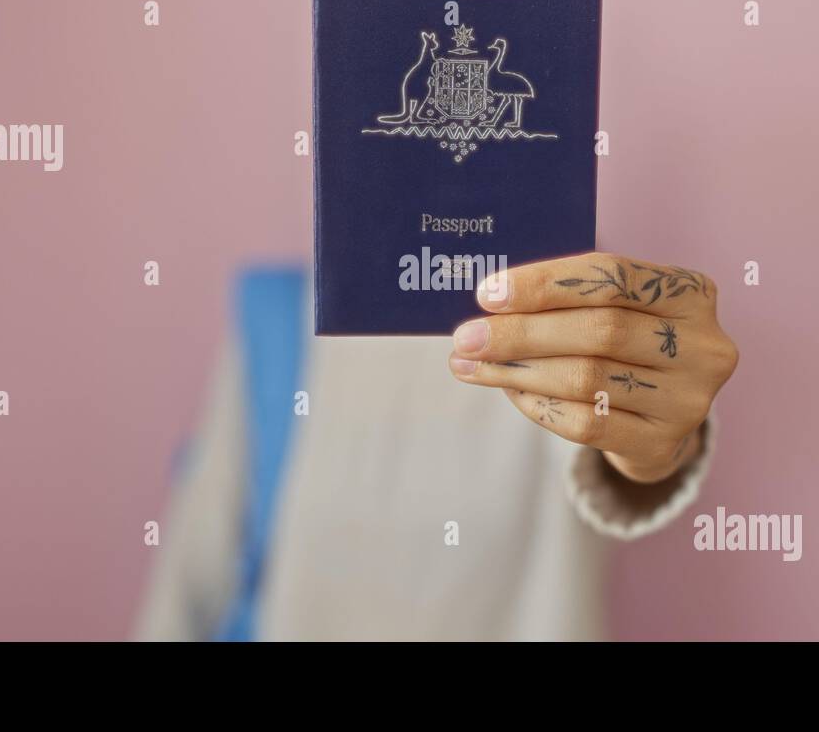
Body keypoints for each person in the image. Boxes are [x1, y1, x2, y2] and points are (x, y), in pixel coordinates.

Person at [134, 251, 738, 640]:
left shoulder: (569, 318)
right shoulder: (278, 320)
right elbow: (194, 569)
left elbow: (616, 458)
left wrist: (658, 437)